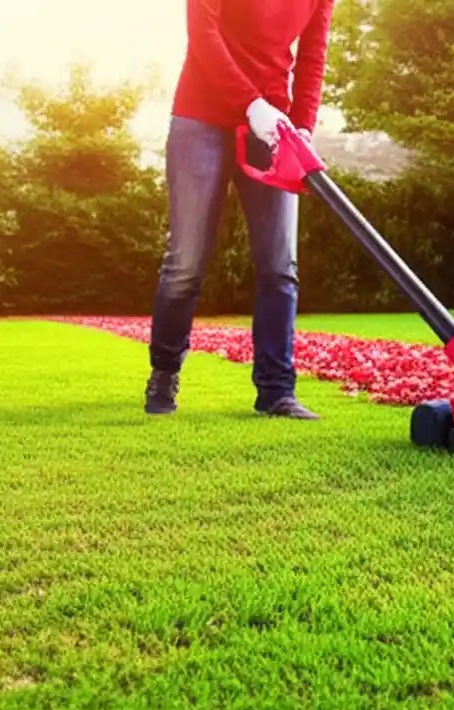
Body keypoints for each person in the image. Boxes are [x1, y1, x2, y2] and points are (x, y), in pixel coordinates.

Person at [144, 0, 336, 419]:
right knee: (186, 262)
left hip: (274, 127)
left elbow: (313, 55)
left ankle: (276, 390)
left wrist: (301, 126)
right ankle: (164, 372)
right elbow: (203, 33)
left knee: (280, 265)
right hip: (201, 118)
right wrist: (250, 104)